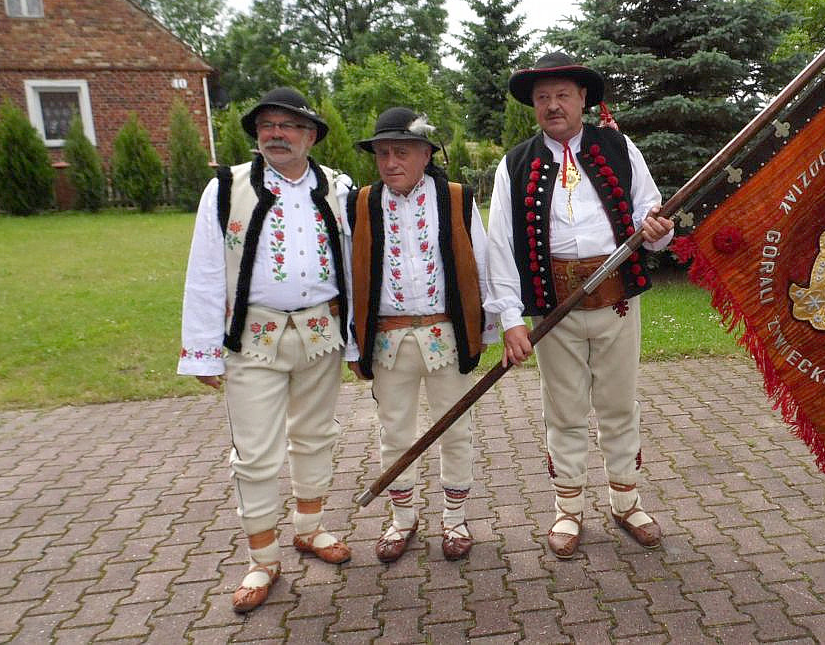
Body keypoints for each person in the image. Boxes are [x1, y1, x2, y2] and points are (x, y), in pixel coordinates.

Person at [485, 52, 675, 559]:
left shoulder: (619, 146)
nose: (553, 106)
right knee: (564, 411)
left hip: (616, 303)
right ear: (533, 106)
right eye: (543, 98)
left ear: (583, 98)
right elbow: (499, 246)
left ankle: (626, 501)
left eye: (562, 95)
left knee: (618, 405)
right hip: (553, 310)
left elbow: (649, 215)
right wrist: (510, 320)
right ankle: (567, 509)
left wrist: (656, 228)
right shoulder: (515, 164)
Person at [177, 87, 357, 612]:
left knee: (317, 434)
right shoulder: (226, 188)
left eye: (288, 126)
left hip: (322, 333)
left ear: (311, 136)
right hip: (252, 338)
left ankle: (310, 527)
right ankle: (262, 559)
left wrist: (356, 340)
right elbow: (206, 271)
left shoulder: (338, 187)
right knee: (255, 453)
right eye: (266, 126)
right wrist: (202, 349)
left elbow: (352, 263)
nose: (275, 134)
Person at [348, 107, 497, 563]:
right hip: (388, 340)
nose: (391, 161)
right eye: (382, 153)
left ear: (426, 153)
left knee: (455, 429)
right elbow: (351, 276)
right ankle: (402, 519)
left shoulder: (455, 198)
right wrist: (355, 341)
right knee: (394, 432)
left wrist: (488, 327)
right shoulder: (362, 203)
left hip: (445, 336)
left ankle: (455, 519)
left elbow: (482, 264)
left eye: (401, 152)